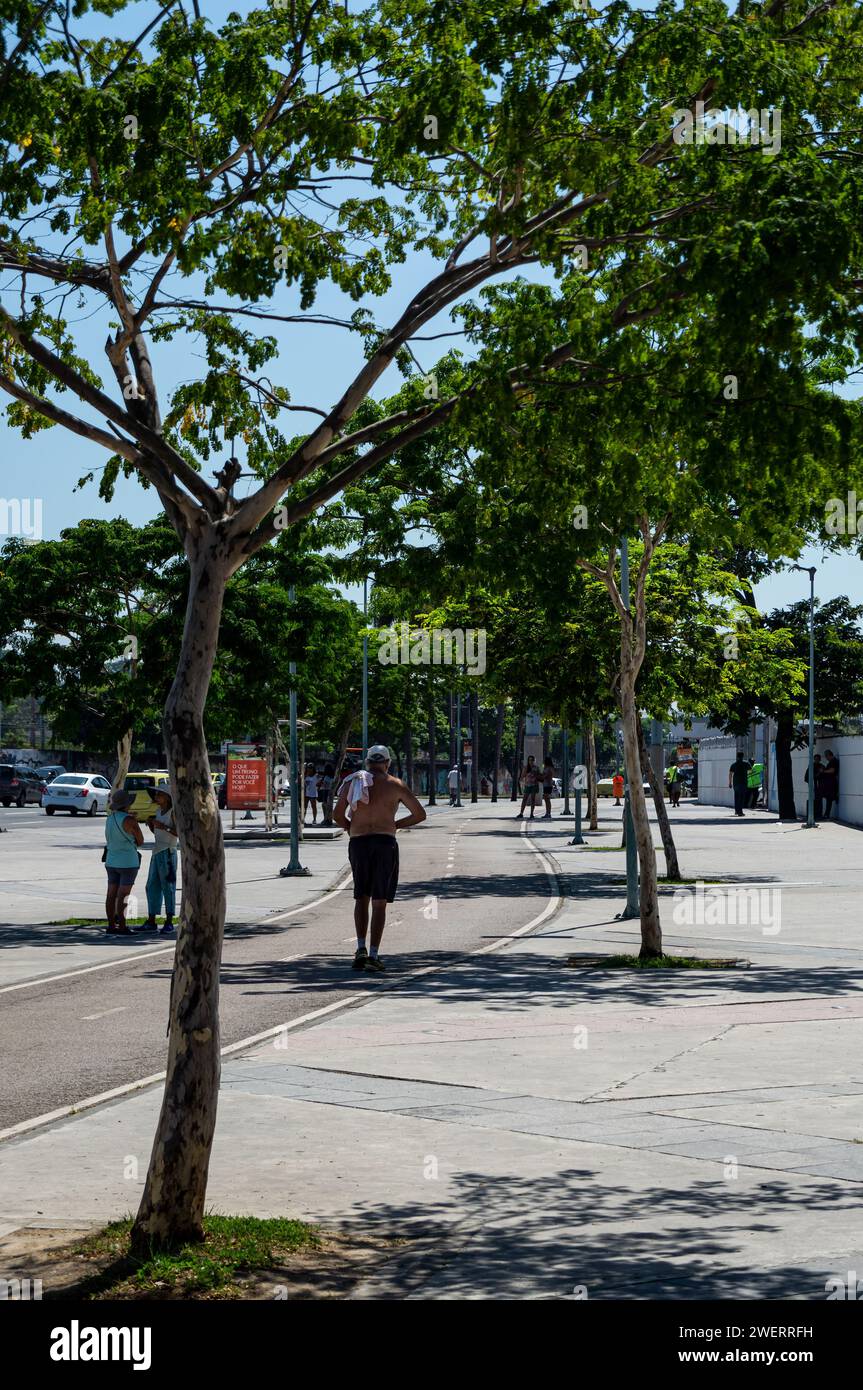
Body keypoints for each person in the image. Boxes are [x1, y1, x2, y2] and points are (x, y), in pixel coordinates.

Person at [333, 744, 426, 973]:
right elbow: (419, 814)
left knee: (361, 897)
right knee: (380, 900)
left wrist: (351, 827)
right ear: (387, 763)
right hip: (384, 843)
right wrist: (394, 825)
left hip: (359, 842)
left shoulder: (354, 782)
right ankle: (374, 954)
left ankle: (361, 948)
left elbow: (336, 814)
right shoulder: (395, 785)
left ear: (367, 762)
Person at [104, 788, 144, 935]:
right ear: (127, 804)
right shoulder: (130, 820)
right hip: (128, 861)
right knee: (123, 896)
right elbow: (140, 841)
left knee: (111, 894)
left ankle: (111, 925)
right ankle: (122, 925)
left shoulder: (110, 818)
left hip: (111, 860)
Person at [139, 787, 179, 935]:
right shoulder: (157, 812)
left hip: (168, 852)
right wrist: (152, 825)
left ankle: (169, 920)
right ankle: (151, 919)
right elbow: (157, 832)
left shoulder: (172, 813)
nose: (156, 797)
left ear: (167, 798)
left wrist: (163, 827)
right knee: (151, 885)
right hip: (157, 851)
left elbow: (178, 832)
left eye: (159, 795)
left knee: (168, 887)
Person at [728, 749, 753, 817]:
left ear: (737, 756)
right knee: (742, 797)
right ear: (743, 756)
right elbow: (750, 771)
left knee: (736, 797)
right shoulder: (746, 763)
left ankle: (737, 810)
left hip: (736, 783)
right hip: (743, 782)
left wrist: (730, 783)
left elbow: (730, 774)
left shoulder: (734, 764)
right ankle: (740, 811)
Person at [516, 755, 541, 819]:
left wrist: (537, 776)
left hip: (534, 785)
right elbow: (522, 776)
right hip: (527, 785)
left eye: (532, 760)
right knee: (525, 799)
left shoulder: (536, 768)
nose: (531, 761)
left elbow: (539, 776)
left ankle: (531, 814)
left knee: (533, 799)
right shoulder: (526, 767)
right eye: (529, 760)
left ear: (534, 761)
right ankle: (521, 813)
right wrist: (520, 780)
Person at [821, 750, 840, 820]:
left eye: (826, 756)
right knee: (828, 798)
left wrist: (823, 771)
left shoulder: (833, 761)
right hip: (829, 782)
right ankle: (826, 814)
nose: (826, 758)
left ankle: (826, 814)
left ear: (829, 755)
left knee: (829, 798)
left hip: (831, 783)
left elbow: (832, 770)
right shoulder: (832, 761)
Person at [804, 753, 824, 819]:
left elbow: (824, 775)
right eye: (815, 759)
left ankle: (818, 814)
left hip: (819, 785)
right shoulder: (811, 766)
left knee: (819, 799)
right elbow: (807, 776)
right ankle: (812, 814)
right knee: (812, 798)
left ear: (820, 760)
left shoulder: (822, 766)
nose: (816, 760)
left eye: (817, 759)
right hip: (813, 785)